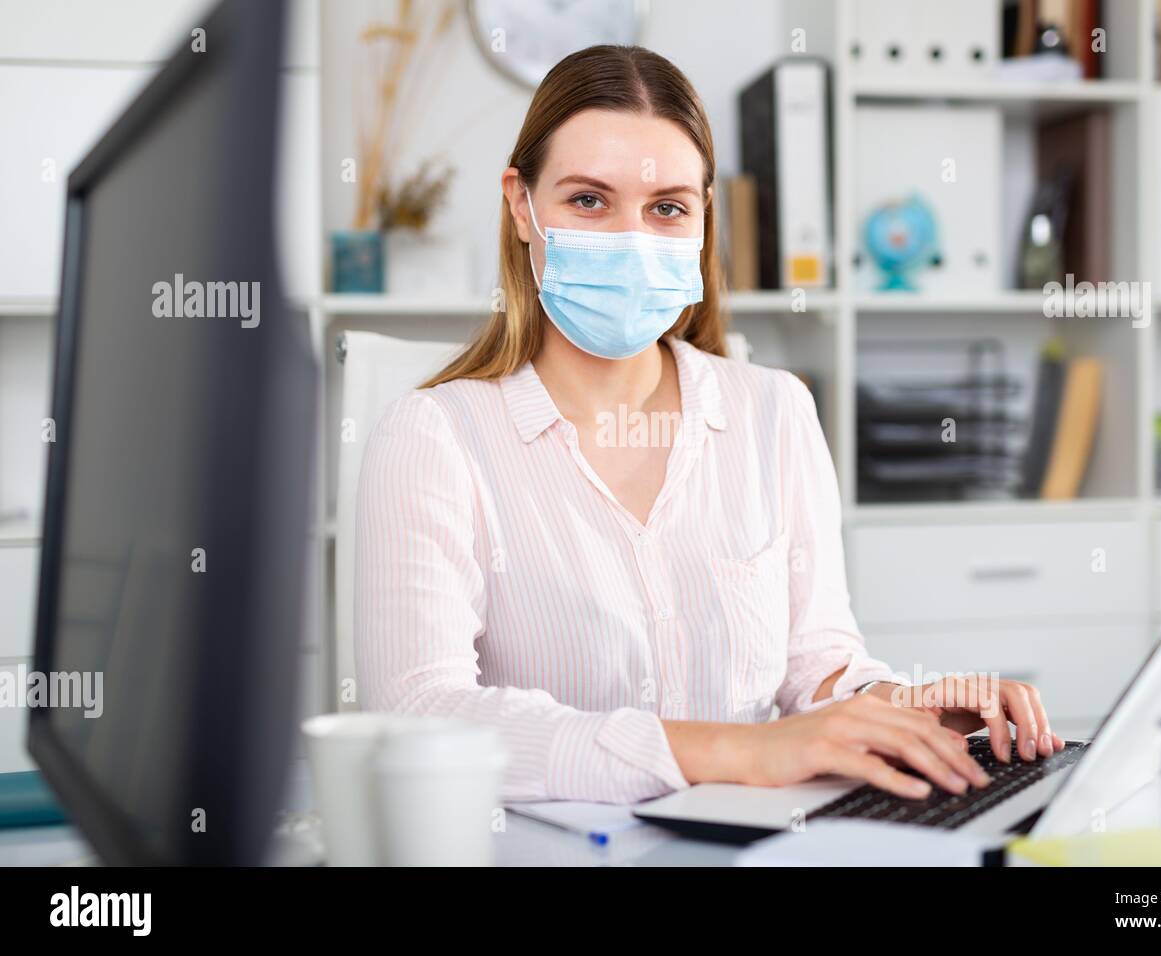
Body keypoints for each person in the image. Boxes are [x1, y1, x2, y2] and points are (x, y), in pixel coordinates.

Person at [355, 45, 1064, 804]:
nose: (632, 239)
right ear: (522, 206)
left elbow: (814, 664)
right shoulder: (434, 437)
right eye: (589, 200)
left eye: (666, 207)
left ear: (701, 220)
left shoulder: (775, 411)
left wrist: (902, 708)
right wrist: (742, 751)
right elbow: (419, 713)